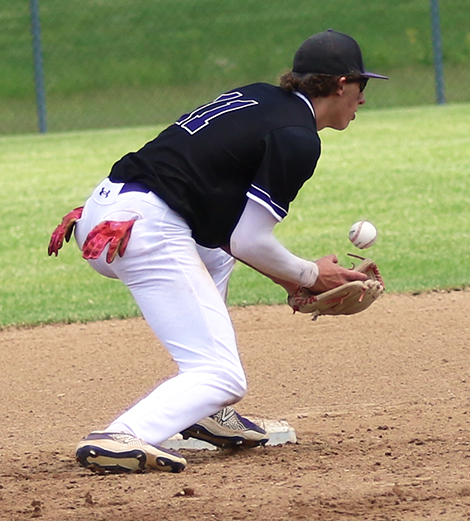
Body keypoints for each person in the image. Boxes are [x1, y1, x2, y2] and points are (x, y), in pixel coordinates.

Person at [47, 29, 387, 473]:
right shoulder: (299, 137)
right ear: (342, 84)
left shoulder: (259, 97)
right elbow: (250, 239)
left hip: (105, 214)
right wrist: (310, 275)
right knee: (222, 374)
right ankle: (123, 434)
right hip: (145, 230)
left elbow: (228, 233)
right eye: (362, 86)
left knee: (216, 254)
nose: (363, 99)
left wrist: (293, 280)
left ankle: (206, 417)